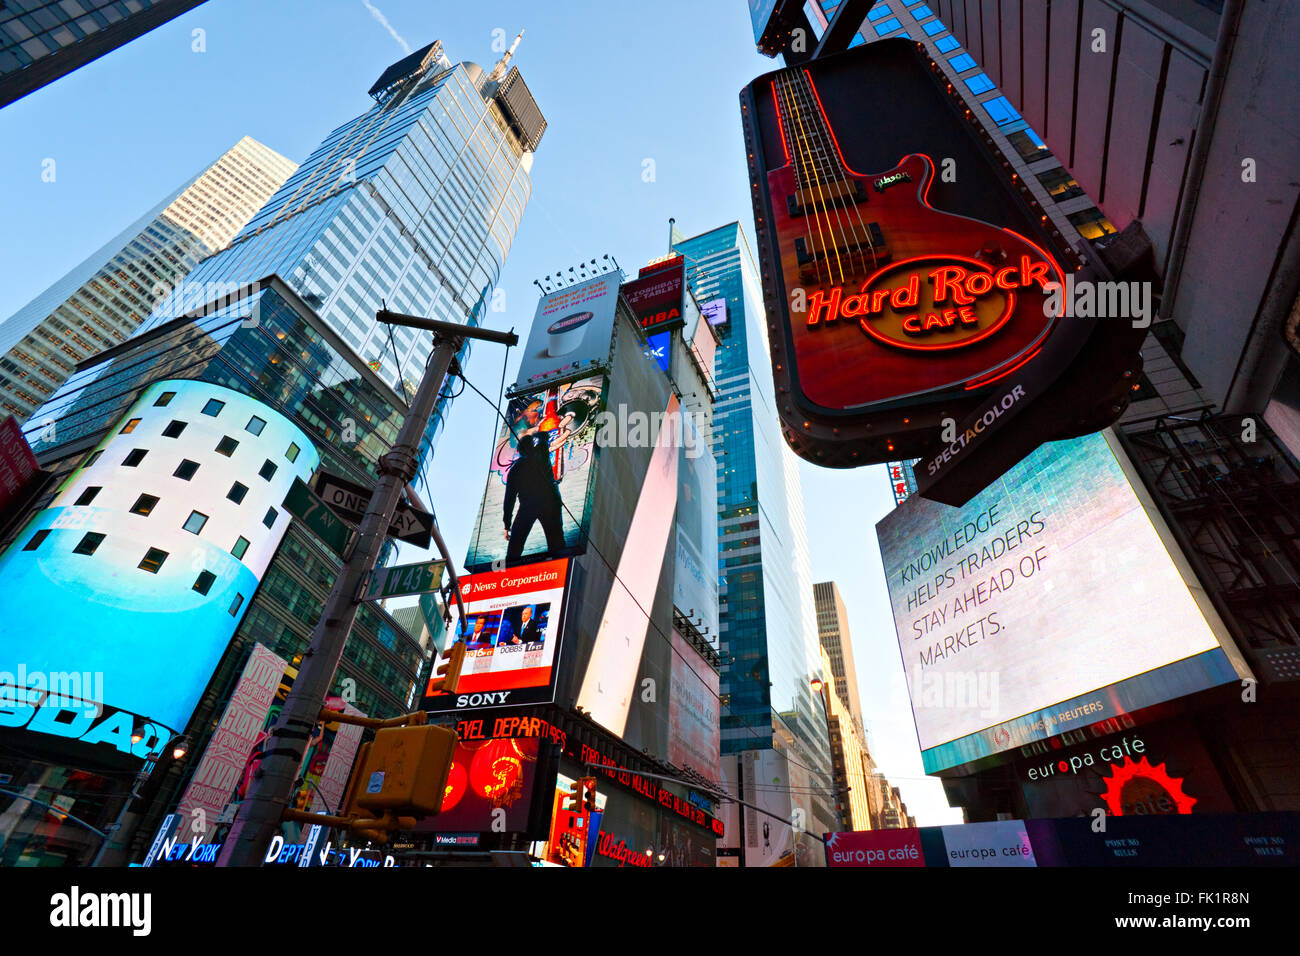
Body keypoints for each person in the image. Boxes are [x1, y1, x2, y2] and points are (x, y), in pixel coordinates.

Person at [503, 433, 566, 566]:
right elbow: (544, 436)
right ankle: (559, 566)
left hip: (528, 506)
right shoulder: (542, 451)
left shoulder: (515, 469)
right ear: (533, 445)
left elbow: (509, 499)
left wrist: (507, 524)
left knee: (515, 545)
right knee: (556, 542)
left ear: (519, 451)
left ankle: (509, 572)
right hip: (551, 502)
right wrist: (534, 434)